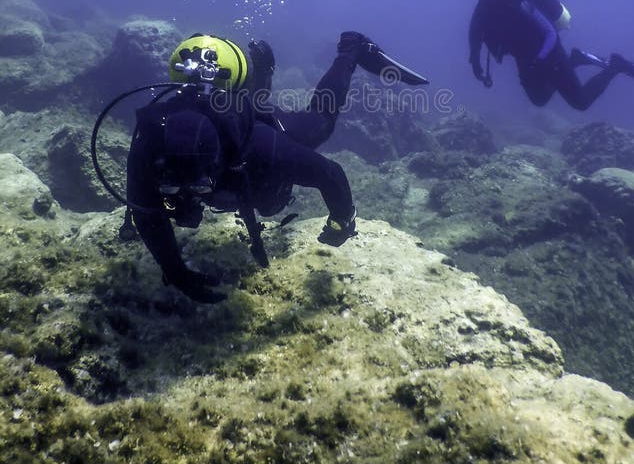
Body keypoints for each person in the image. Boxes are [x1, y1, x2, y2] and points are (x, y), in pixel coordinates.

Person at [126, 31, 428, 302]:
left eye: (198, 184)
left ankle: (352, 50)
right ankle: (261, 77)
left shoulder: (260, 144)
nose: (188, 190)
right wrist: (175, 270)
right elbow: (144, 210)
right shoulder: (149, 144)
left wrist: (342, 222)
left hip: (260, 123)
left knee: (321, 120)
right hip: (228, 117)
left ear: (218, 159)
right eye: (172, 184)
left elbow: (330, 174)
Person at [466, 0, 634, 110]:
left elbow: (550, 33)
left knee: (581, 102)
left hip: (549, 51)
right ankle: (575, 59)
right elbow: (475, 31)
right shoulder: (485, 4)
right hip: (524, 56)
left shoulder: (519, 1)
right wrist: (474, 59)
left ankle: (615, 66)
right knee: (539, 99)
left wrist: (542, 60)